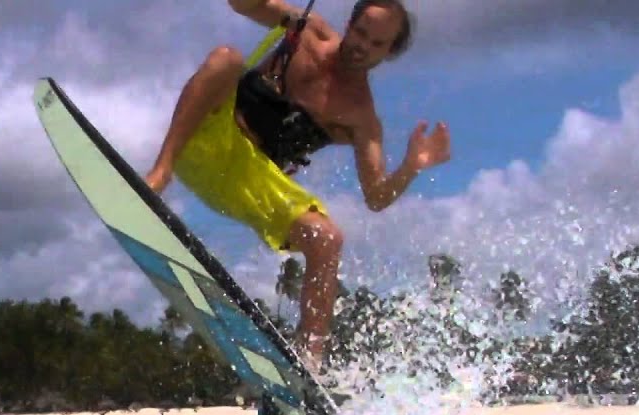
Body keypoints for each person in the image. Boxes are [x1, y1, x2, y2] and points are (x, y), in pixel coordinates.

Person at [144, 0, 451, 373]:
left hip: (251, 183)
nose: (362, 46)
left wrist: (412, 166)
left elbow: (376, 197)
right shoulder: (305, 28)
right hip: (205, 137)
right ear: (349, 23)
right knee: (226, 58)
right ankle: (160, 173)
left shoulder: (361, 118)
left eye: (376, 44)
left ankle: (309, 361)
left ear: (389, 53)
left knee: (327, 239)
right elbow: (243, 5)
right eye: (361, 33)